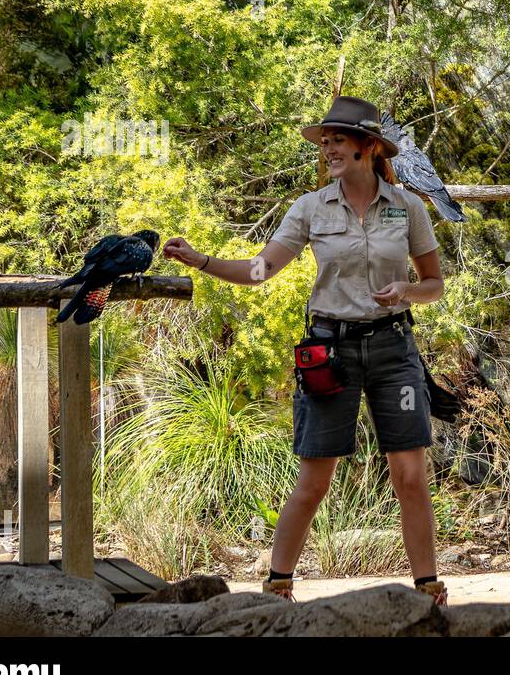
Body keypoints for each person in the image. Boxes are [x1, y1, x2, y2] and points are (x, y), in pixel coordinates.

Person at [163, 96, 448, 605]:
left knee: (409, 475)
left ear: (366, 146)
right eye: (325, 141)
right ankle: (277, 589)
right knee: (315, 478)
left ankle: (428, 592)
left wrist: (405, 291)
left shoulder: (407, 208)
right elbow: (260, 270)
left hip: (393, 350)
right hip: (329, 354)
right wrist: (201, 261)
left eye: (337, 140)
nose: (328, 149)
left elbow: (434, 285)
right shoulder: (310, 208)